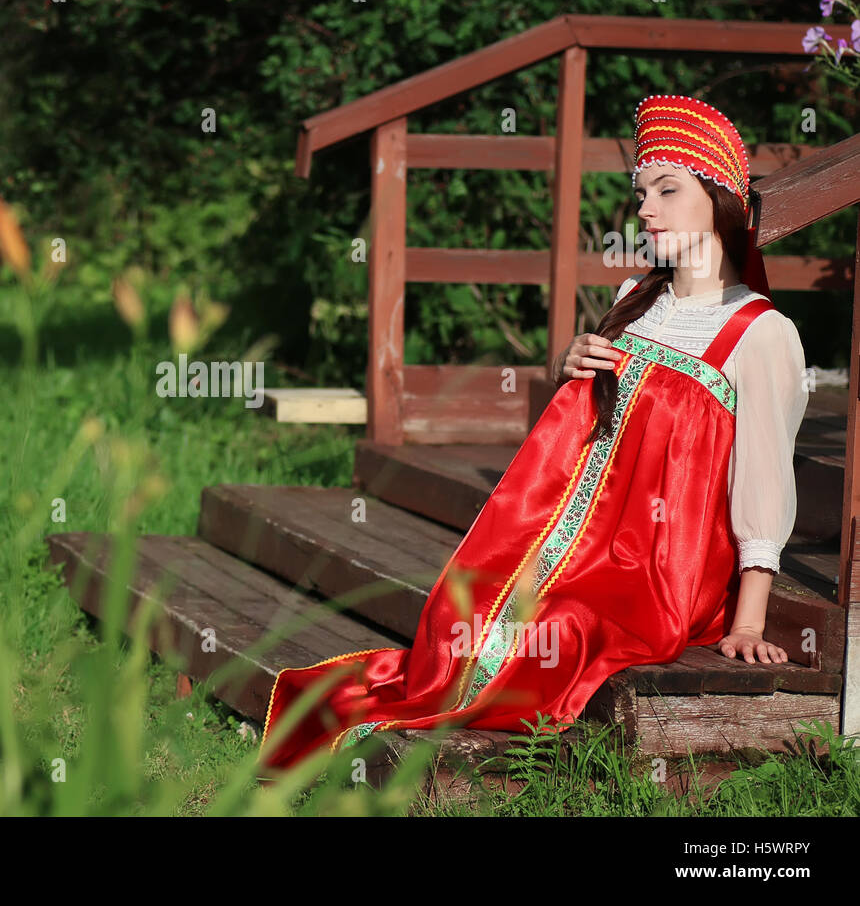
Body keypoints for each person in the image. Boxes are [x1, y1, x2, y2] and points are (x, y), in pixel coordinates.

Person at [257, 94, 810, 775]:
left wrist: (749, 621)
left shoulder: (761, 333)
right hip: (578, 538)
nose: (645, 210)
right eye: (641, 193)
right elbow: (591, 433)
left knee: (560, 627)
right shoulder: (636, 296)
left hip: (662, 568)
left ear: (721, 200)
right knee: (465, 601)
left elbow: (764, 478)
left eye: (668, 190)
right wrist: (571, 364)